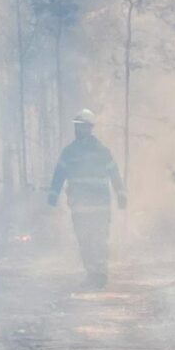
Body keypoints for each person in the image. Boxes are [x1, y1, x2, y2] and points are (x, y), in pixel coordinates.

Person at [48, 108, 127, 289]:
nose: (79, 130)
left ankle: (100, 273)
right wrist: (53, 194)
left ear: (90, 128)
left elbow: (114, 174)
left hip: (99, 206)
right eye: (77, 127)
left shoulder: (102, 151)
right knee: (85, 241)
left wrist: (121, 194)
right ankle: (92, 273)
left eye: (82, 127)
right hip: (80, 206)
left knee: (98, 240)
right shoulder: (69, 152)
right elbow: (59, 174)